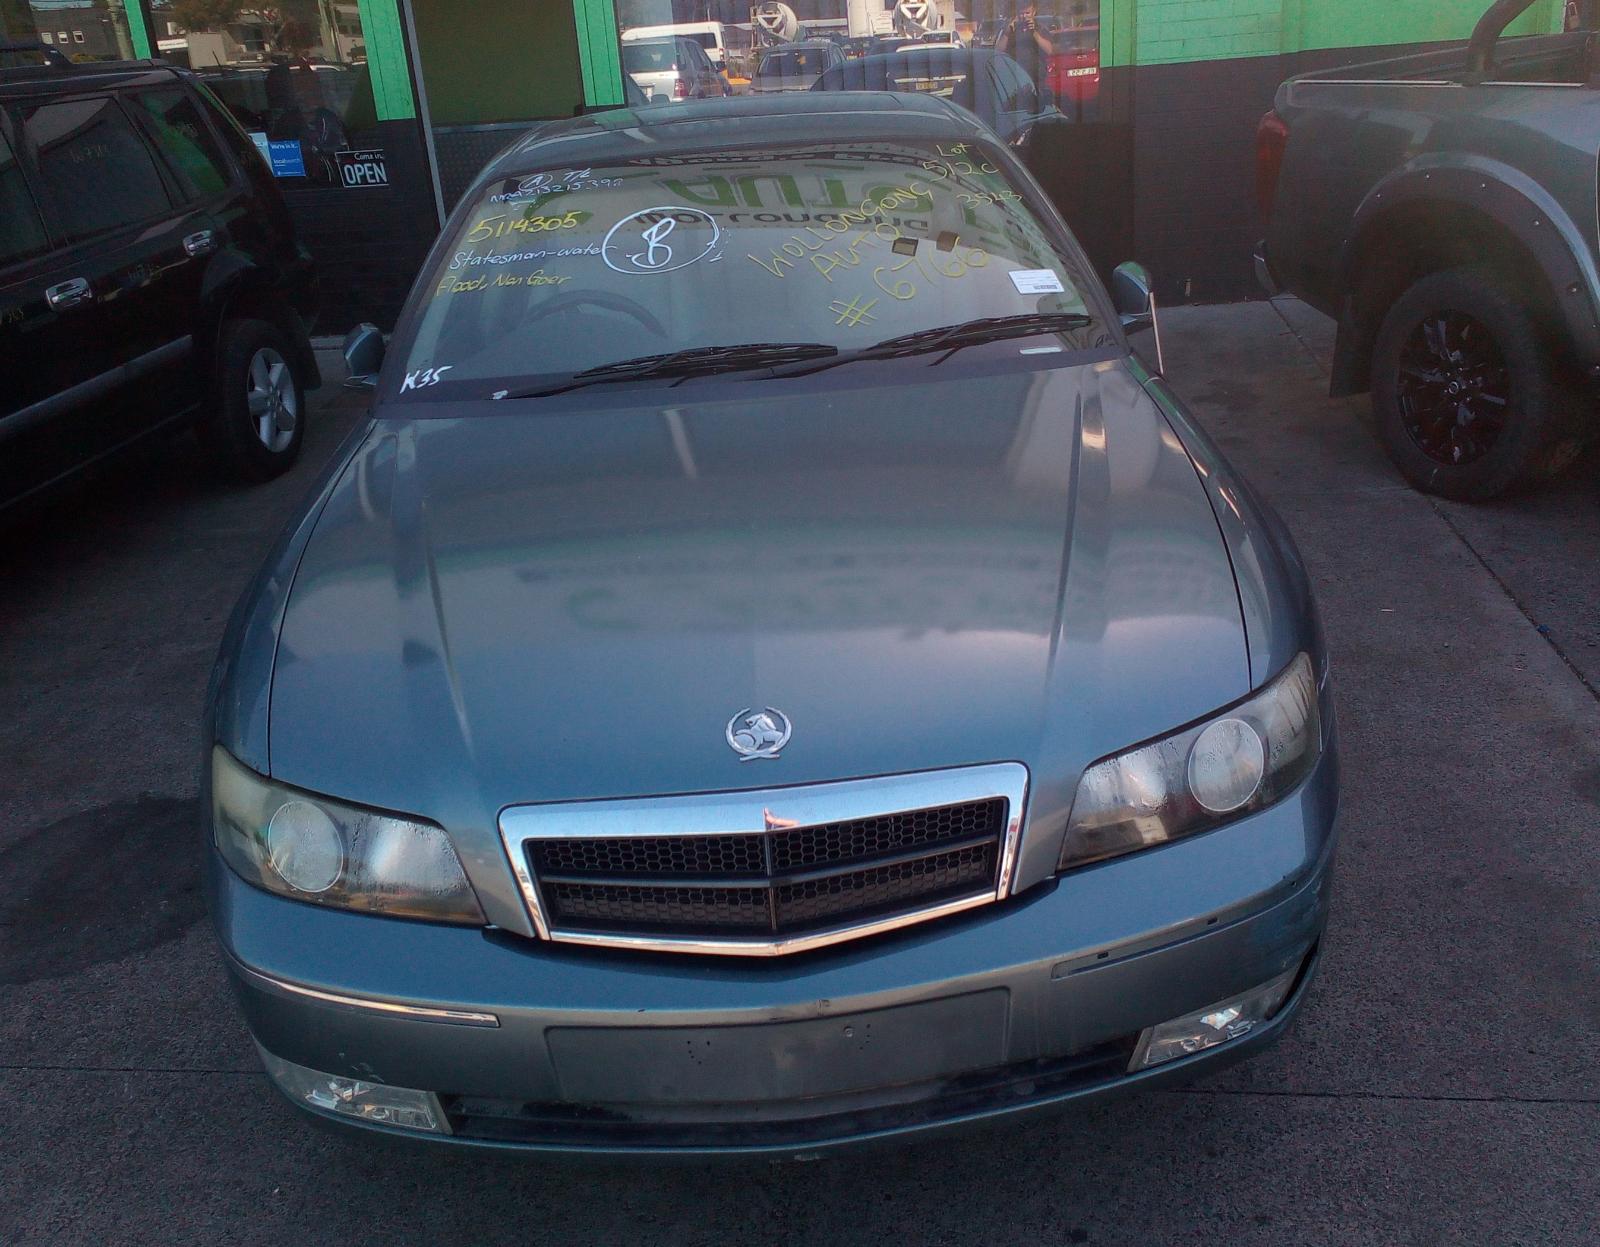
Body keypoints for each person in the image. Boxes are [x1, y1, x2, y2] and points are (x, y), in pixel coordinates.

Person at [997, 1, 1054, 97]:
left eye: (1027, 13)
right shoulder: (1010, 30)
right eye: (1021, 13)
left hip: (1036, 78)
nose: (1024, 16)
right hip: (1015, 77)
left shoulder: (1040, 28)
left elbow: (1049, 50)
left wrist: (1034, 33)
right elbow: (998, 51)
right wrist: (1007, 33)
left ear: (1034, 12)